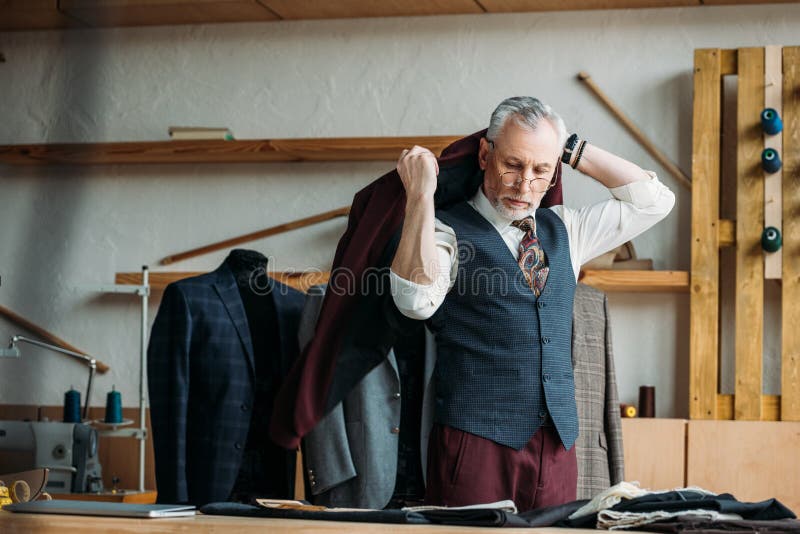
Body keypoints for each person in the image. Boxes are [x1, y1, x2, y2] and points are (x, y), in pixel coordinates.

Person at [389, 96, 674, 512]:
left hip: (556, 449)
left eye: (541, 170)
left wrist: (571, 148)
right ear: (485, 155)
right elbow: (415, 302)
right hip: (476, 445)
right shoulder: (444, 230)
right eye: (513, 165)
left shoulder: (568, 229)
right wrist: (420, 195)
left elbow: (655, 200)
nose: (524, 186)